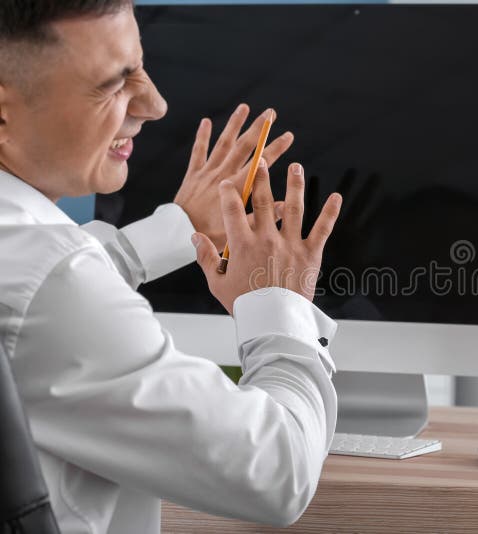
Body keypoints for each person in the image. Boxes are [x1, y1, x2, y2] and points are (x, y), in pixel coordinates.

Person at [0, 1, 343, 532]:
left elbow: (30, 310)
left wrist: (175, 229)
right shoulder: (55, 281)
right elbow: (280, 470)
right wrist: (282, 306)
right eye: (115, 83)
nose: (155, 104)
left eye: (141, 66)